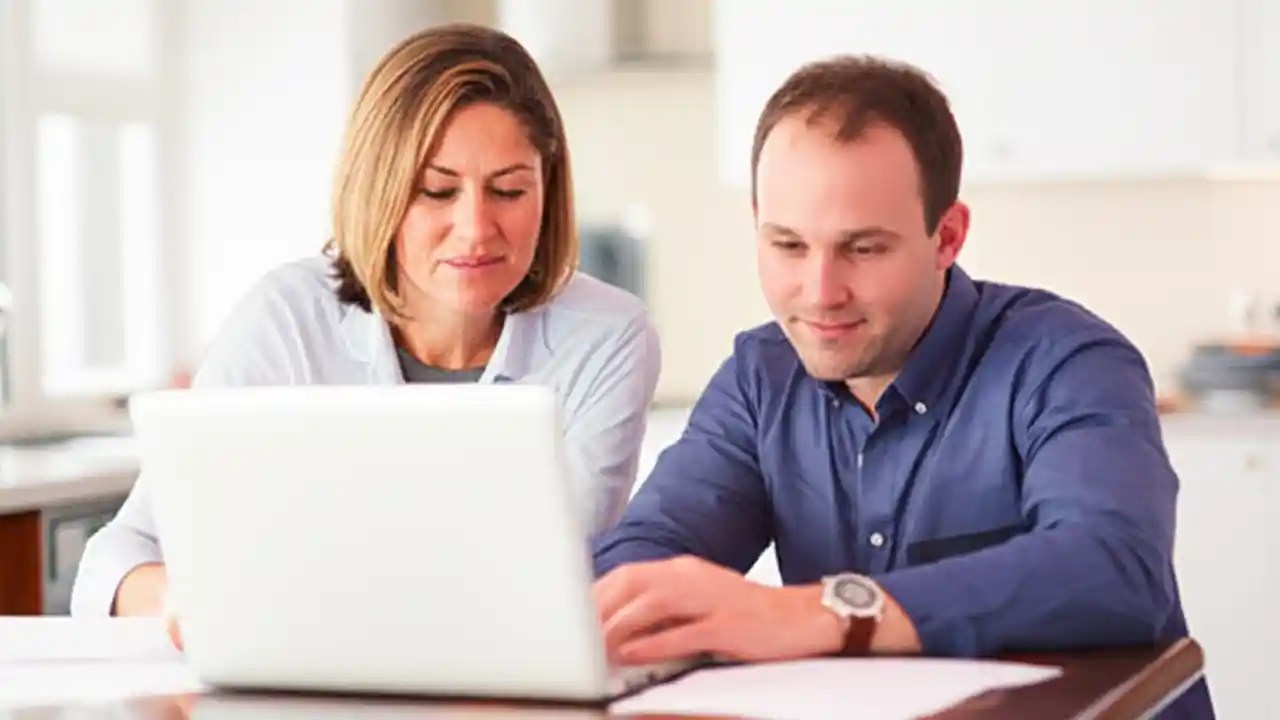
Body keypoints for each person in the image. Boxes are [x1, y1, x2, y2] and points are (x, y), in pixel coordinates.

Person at [592, 56, 1212, 718]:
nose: (821, 294)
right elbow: (646, 556)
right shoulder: (759, 379)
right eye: (788, 246)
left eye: (863, 249)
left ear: (946, 236)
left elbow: (1114, 570)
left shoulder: (1068, 361)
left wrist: (821, 613)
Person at [72, 23, 661, 624]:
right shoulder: (288, 317)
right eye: (437, 191)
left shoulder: (607, 337)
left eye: (509, 191)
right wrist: (186, 603)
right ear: (379, 190)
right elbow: (115, 559)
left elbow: (560, 571)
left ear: (548, 188)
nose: (476, 227)